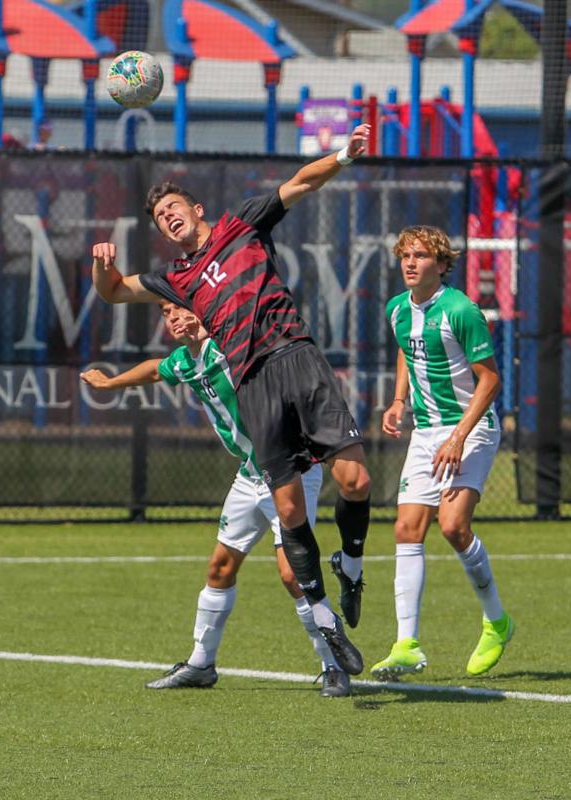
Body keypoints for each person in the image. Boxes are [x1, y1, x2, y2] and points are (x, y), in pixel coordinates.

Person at [89, 125, 376, 679]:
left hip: (295, 354)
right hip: (252, 380)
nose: (167, 218)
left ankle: (353, 567)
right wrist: (103, 265)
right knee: (288, 514)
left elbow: (300, 183)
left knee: (357, 482)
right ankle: (324, 629)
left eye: (173, 207)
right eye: (159, 217)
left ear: (197, 209)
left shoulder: (241, 224)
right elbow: (116, 291)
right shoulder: (176, 277)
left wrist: (342, 155)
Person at [80, 301, 349, 697]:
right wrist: (108, 383)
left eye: (180, 309)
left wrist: (212, 323)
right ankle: (201, 664)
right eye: (166, 311)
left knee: (293, 575)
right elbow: (156, 369)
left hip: (290, 471)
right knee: (220, 568)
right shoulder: (186, 361)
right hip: (251, 475)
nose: (172, 317)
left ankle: (334, 666)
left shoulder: (231, 348)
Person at [371, 226, 514, 680]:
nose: (410, 263)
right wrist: (398, 400)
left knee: (452, 526)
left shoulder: (461, 310)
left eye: (420, 256)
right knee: (407, 529)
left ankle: (496, 622)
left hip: (470, 428)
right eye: (404, 256)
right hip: (427, 432)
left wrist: (457, 438)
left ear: (442, 264)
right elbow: (406, 352)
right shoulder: (397, 309)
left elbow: (490, 380)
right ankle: (406, 645)